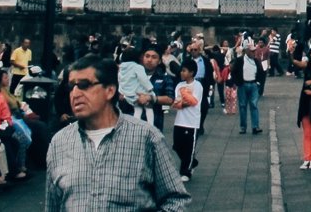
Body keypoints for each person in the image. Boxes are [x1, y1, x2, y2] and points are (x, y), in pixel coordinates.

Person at [45, 55, 189, 211]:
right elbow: (52, 205)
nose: (75, 93)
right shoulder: (59, 143)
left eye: (84, 85)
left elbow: (176, 200)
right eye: (71, 86)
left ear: (110, 90)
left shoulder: (147, 138)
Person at [169, 61, 202, 183]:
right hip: (179, 121)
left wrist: (181, 102)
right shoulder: (179, 85)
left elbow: (193, 101)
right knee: (176, 145)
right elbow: (177, 102)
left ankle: (185, 171)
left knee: (189, 148)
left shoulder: (198, 85)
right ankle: (192, 162)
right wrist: (181, 103)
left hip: (192, 122)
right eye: (182, 70)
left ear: (191, 72)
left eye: (184, 70)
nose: (182, 73)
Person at [229, 44, 266, 135]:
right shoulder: (239, 60)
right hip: (243, 85)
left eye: (254, 51)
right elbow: (233, 72)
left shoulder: (256, 61)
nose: (254, 53)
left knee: (254, 105)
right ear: (246, 51)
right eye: (252, 51)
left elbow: (261, 72)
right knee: (242, 106)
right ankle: (243, 127)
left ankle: (255, 126)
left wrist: (258, 83)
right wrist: (237, 83)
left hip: (253, 84)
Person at [116, 47, 154, 123]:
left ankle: (136, 123)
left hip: (127, 94)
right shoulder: (138, 67)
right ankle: (151, 125)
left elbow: (120, 80)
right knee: (149, 108)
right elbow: (143, 79)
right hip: (139, 92)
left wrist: (121, 92)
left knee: (137, 109)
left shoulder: (121, 68)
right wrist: (150, 88)